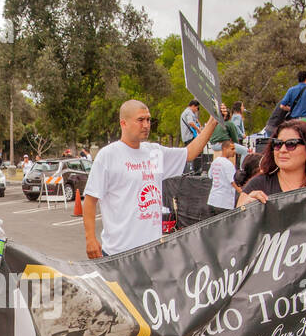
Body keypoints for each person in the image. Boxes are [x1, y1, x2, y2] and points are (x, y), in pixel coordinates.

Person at [82, 98, 216, 258]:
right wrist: (90, 238)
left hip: (152, 253)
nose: (146, 125)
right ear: (123, 123)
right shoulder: (109, 155)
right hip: (119, 253)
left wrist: (212, 122)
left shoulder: (153, 153)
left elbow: (190, 153)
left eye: (148, 119)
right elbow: (90, 200)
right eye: (140, 120)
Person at [236, 120, 306, 206]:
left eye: (291, 144)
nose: (282, 150)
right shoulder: (257, 185)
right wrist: (245, 210)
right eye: (277, 144)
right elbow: (235, 226)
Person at [207, 139, 237, 215]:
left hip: (212, 200)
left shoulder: (215, 161)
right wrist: (243, 193)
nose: (234, 151)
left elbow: (210, 175)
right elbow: (233, 182)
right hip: (224, 203)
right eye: (232, 149)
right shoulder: (228, 164)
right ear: (224, 149)